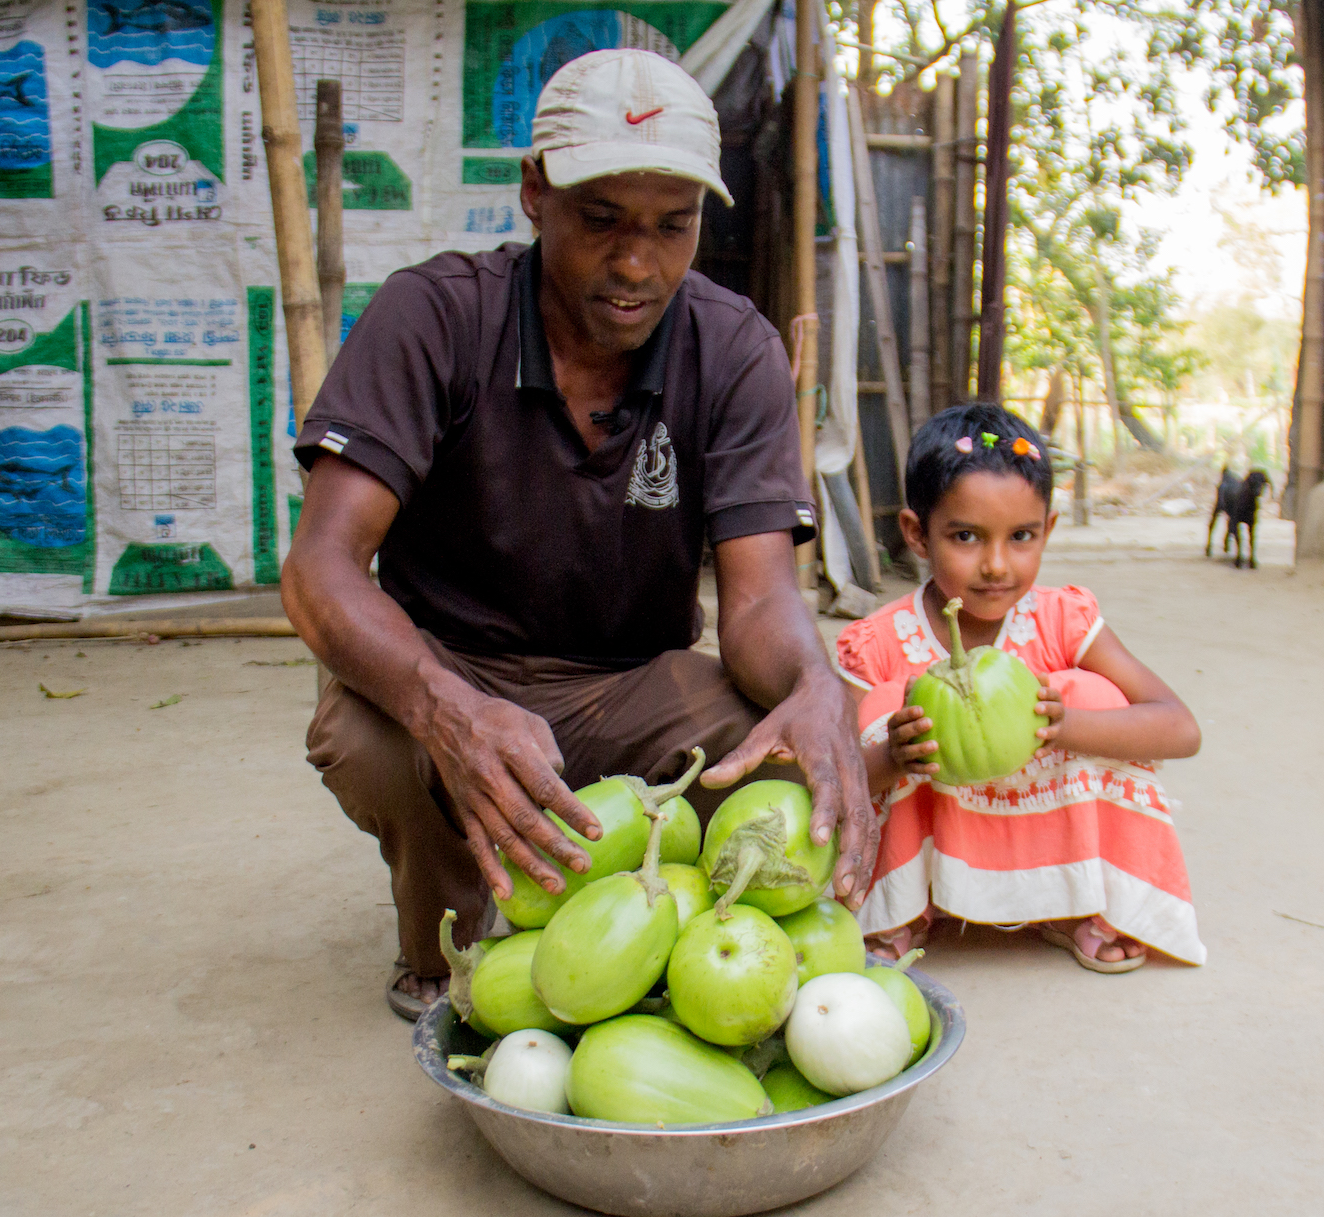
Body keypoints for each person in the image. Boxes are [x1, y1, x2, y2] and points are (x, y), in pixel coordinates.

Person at [283, 49, 873, 1020]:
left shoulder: (732, 348)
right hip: (450, 662)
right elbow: (320, 570)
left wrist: (816, 688)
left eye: (671, 226)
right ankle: (450, 931)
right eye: (601, 219)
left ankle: (656, 925)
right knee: (368, 734)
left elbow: (761, 598)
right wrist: (445, 706)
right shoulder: (434, 316)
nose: (636, 263)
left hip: (630, 683)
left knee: (775, 744)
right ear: (534, 192)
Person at [835, 403, 1206, 972]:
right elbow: (835, 780)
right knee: (890, 708)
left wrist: (1065, 725)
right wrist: (894, 756)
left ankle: (1069, 902)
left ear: (1048, 530)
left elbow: (1180, 729)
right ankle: (905, 908)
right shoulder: (881, 643)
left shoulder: (1063, 622)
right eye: (966, 536)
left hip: (1043, 821)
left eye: (1022, 536)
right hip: (934, 832)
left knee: (1093, 695)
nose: (996, 564)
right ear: (917, 534)